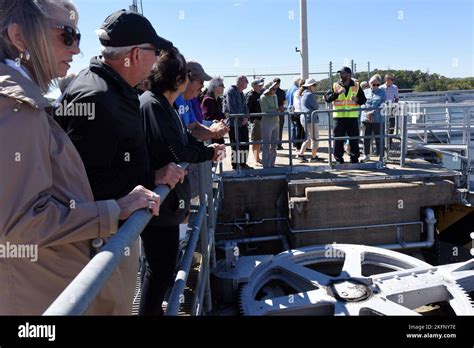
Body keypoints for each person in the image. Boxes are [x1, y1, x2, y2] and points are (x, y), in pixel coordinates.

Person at [0, 0, 162, 315]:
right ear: (19, 37)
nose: (76, 49)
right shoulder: (16, 106)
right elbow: (22, 223)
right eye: (66, 35)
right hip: (40, 297)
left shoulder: (21, 102)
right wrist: (116, 209)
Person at [55, 9, 187, 312]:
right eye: (154, 52)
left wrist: (152, 175)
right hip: (96, 244)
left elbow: (114, 164)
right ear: (136, 54)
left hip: (111, 234)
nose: (155, 61)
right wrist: (135, 190)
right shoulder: (96, 97)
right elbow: (83, 185)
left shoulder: (112, 89)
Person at [139, 48, 226, 315]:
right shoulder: (153, 104)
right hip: (159, 203)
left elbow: (185, 141)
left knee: (163, 268)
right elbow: (179, 150)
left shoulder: (162, 104)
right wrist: (209, 152)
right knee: (159, 269)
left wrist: (206, 149)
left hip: (166, 200)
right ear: (180, 79)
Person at [176, 60, 228, 142]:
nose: (203, 85)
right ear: (187, 78)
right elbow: (183, 135)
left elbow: (194, 126)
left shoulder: (188, 99)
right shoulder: (172, 100)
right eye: (201, 81)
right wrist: (212, 131)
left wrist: (213, 129)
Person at [324, 66, 367, 164]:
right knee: (338, 140)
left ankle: (354, 159)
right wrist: (336, 94)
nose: (341, 75)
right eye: (340, 73)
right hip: (338, 118)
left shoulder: (356, 86)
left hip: (352, 118)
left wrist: (356, 99)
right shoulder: (336, 86)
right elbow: (327, 98)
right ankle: (339, 160)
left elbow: (363, 100)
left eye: (343, 73)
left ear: (349, 75)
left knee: (354, 139)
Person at [225, 75, 253, 169]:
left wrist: (246, 117)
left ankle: (243, 163)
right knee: (236, 145)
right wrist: (242, 118)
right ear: (240, 81)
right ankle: (236, 165)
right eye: (246, 81)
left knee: (244, 144)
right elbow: (231, 107)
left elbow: (245, 107)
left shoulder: (241, 93)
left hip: (243, 123)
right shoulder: (231, 91)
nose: (248, 83)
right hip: (234, 124)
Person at [360, 75, 386, 162]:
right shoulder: (365, 92)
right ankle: (366, 154)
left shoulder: (382, 93)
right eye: (372, 84)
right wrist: (367, 113)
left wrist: (372, 112)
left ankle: (381, 156)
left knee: (379, 138)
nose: (374, 86)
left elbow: (383, 104)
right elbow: (362, 103)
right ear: (369, 83)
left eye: (377, 84)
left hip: (378, 119)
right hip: (366, 118)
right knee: (366, 138)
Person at [297, 79, 321, 162]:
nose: (315, 87)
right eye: (314, 85)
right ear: (310, 86)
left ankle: (301, 154)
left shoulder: (303, 94)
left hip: (304, 118)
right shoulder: (310, 95)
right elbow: (316, 107)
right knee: (315, 138)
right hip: (310, 119)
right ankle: (314, 157)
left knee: (308, 138)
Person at [259, 82, 280, 168]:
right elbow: (265, 111)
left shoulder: (275, 96)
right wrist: (277, 109)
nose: (275, 90)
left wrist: (278, 110)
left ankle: (272, 163)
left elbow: (275, 109)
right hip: (267, 123)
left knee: (274, 145)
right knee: (266, 145)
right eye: (273, 88)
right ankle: (265, 165)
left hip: (275, 122)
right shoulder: (263, 97)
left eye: (275, 88)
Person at [201, 76, 227, 144]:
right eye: (222, 85)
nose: (224, 87)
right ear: (215, 87)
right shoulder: (208, 100)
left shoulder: (217, 99)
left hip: (217, 133)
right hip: (211, 135)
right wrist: (223, 115)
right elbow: (207, 119)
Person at [246, 78, 265, 165]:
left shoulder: (260, 94)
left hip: (260, 120)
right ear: (254, 85)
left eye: (261, 84)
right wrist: (250, 120)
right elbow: (247, 109)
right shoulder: (251, 95)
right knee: (255, 141)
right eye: (259, 85)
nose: (261, 86)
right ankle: (256, 159)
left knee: (258, 141)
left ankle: (257, 158)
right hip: (255, 120)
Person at [380, 73, 399, 147]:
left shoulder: (395, 87)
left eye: (393, 79)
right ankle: (383, 142)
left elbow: (396, 98)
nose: (393, 81)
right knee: (383, 125)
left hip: (392, 108)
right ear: (386, 79)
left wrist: (396, 106)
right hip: (383, 108)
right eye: (391, 79)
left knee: (392, 125)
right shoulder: (381, 88)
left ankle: (389, 141)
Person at [292, 78, 306, 150]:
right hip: (301, 112)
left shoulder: (296, 92)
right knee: (302, 130)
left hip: (296, 112)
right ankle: (300, 146)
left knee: (299, 129)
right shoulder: (303, 92)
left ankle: (299, 146)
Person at [273, 78, 286, 150]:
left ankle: (278, 144)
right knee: (279, 129)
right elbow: (283, 102)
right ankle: (278, 144)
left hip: (277, 112)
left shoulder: (273, 92)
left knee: (277, 128)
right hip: (279, 112)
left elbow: (283, 102)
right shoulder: (281, 92)